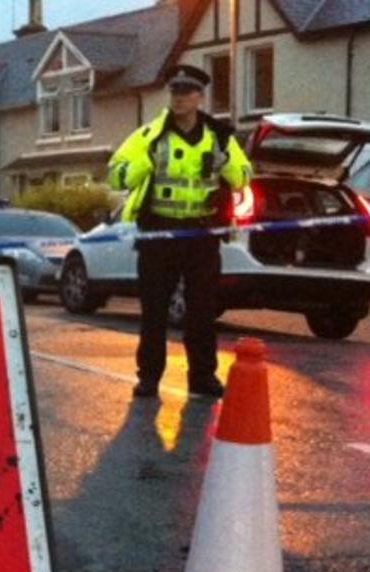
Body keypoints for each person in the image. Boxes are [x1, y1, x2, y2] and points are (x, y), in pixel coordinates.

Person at [108, 64, 252, 399]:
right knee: (154, 312)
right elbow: (116, 175)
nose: (179, 97)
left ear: (200, 97)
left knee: (202, 311)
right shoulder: (150, 135)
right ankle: (149, 378)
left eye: (187, 91)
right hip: (159, 234)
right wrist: (144, 163)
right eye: (174, 90)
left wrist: (225, 163)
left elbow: (244, 176)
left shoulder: (219, 136)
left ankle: (202, 377)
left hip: (202, 236)